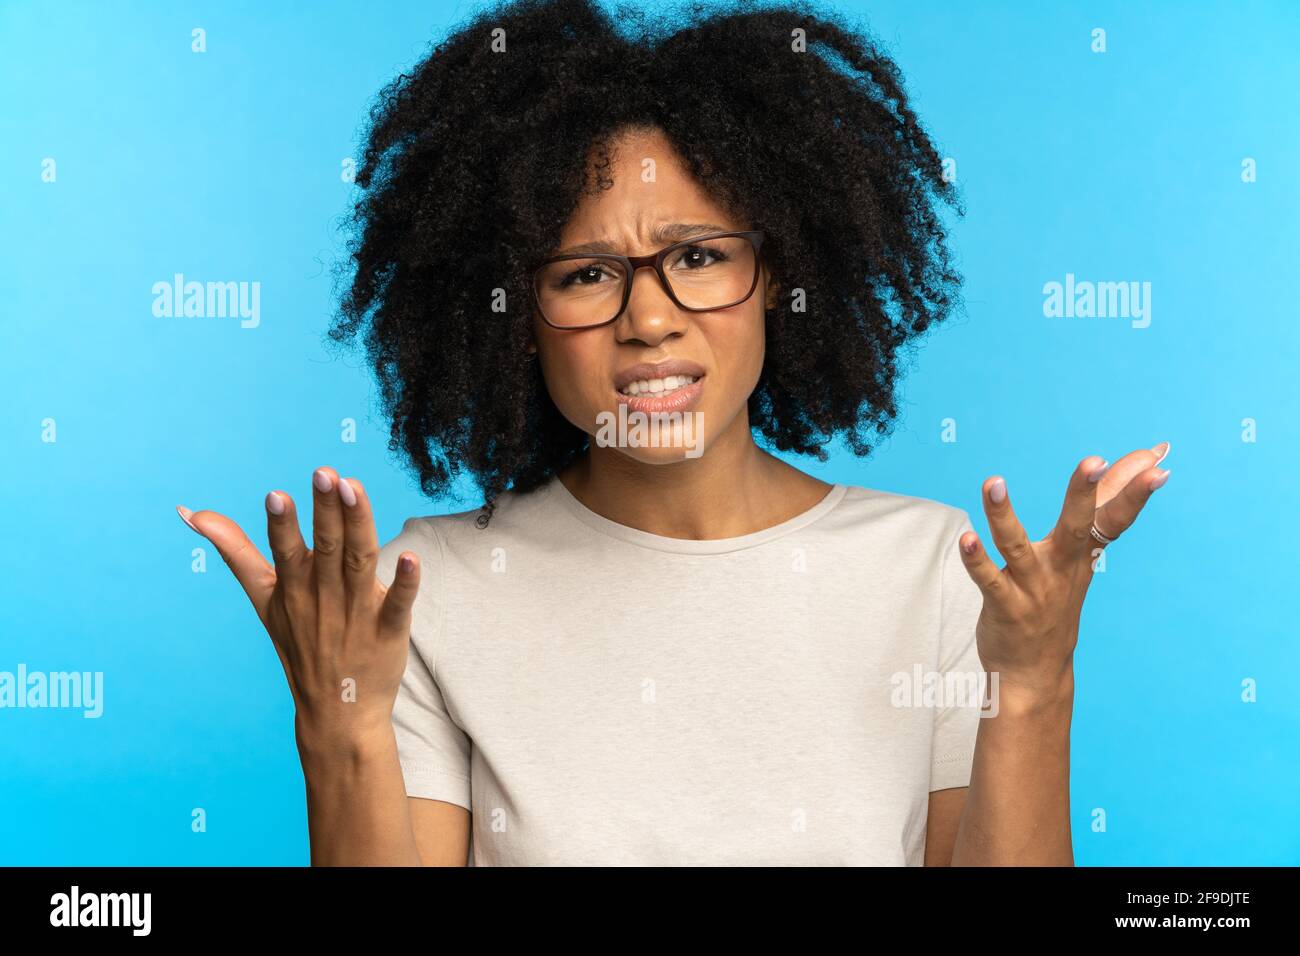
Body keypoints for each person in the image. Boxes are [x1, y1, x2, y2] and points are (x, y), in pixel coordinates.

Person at [176, 0, 1169, 865]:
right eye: (583, 273)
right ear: (515, 319)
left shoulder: (933, 572)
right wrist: (338, 723)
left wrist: (1033, 682)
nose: (648, 317)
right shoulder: (419, 592)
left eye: (696, 256)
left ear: (777, 274)